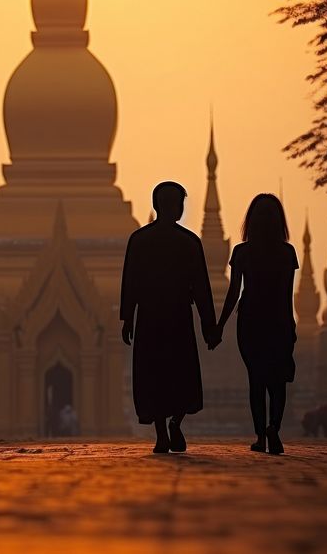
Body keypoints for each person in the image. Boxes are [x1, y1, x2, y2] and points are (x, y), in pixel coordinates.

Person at [120, 181, 218, 453]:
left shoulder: (141, 240)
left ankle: (166, 430)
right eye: (177, 203)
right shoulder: (187, 242)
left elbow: (131, 283)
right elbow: (200, 289)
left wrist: (128, 317)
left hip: (154, 317)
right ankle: (170, 428)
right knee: (174, 374)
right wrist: (209, 325)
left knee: (159, 375)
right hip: (173, 317)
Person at [216, 193, 298, 455]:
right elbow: (287, 295)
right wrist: (291, 328)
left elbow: (233, 293)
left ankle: (260, 436)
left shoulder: (242, 252)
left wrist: (219, 326)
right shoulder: (287, 252)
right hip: (277, 320)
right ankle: (274, 427)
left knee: (257, 380)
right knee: (277, 382)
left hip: (250, 320)